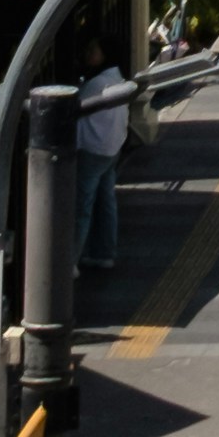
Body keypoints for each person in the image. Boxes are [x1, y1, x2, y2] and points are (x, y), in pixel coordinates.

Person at [71, 45, 129, 280]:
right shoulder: (119, 79)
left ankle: (71, 260)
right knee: (106, 200)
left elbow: (72, 106)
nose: (89, 54)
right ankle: (104, 252)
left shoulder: (97, 83)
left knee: (82, 206)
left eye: (94, 50)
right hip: (112, 148)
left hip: (92, 149)